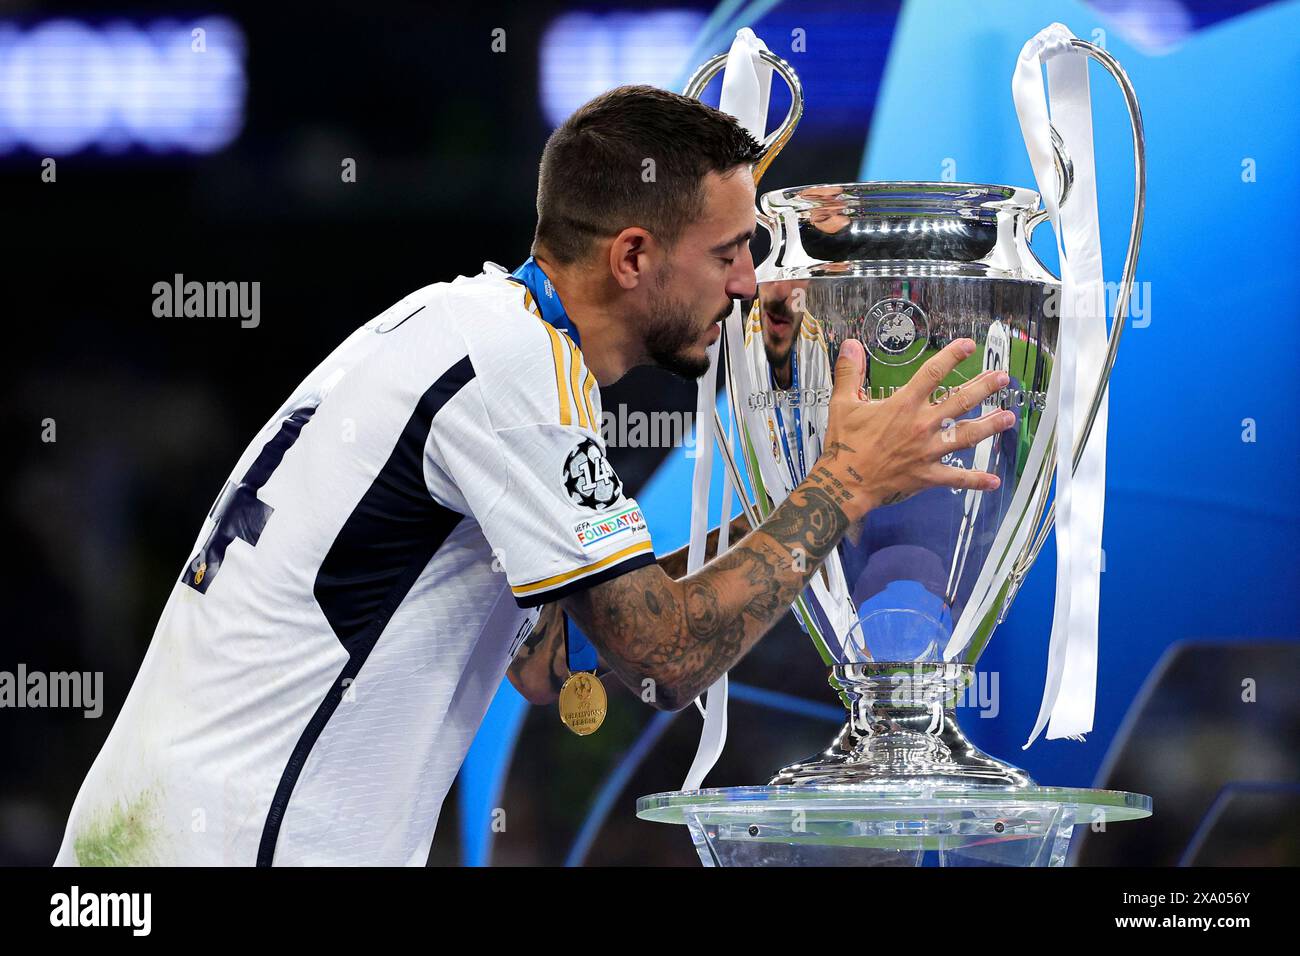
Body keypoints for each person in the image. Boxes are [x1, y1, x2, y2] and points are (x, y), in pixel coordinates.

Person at [55, 85, 1012, 866]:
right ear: (633, 256)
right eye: (727, 253)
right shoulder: (516, 373)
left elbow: (554, 657)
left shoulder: (466, 327)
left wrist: (818, 488)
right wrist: (839, 486)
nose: (747, 284)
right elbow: (661, 657)